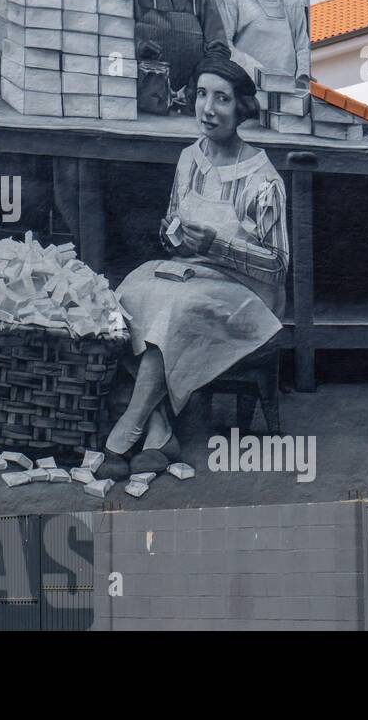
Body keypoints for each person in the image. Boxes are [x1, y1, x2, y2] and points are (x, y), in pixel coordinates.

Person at [100, 57, 287, 479]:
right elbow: (171, 224)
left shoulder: (263, 178)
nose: (209, 108)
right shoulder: (189, 158)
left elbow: (277, 265)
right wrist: (174, 236)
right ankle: (161, 432)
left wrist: (216, 245)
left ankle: (127, 428)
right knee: (128, 293)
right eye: (202, 94)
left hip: (250, 294)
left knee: (172, 312)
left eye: (222, 98)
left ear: (241, 107)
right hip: (193, 273)